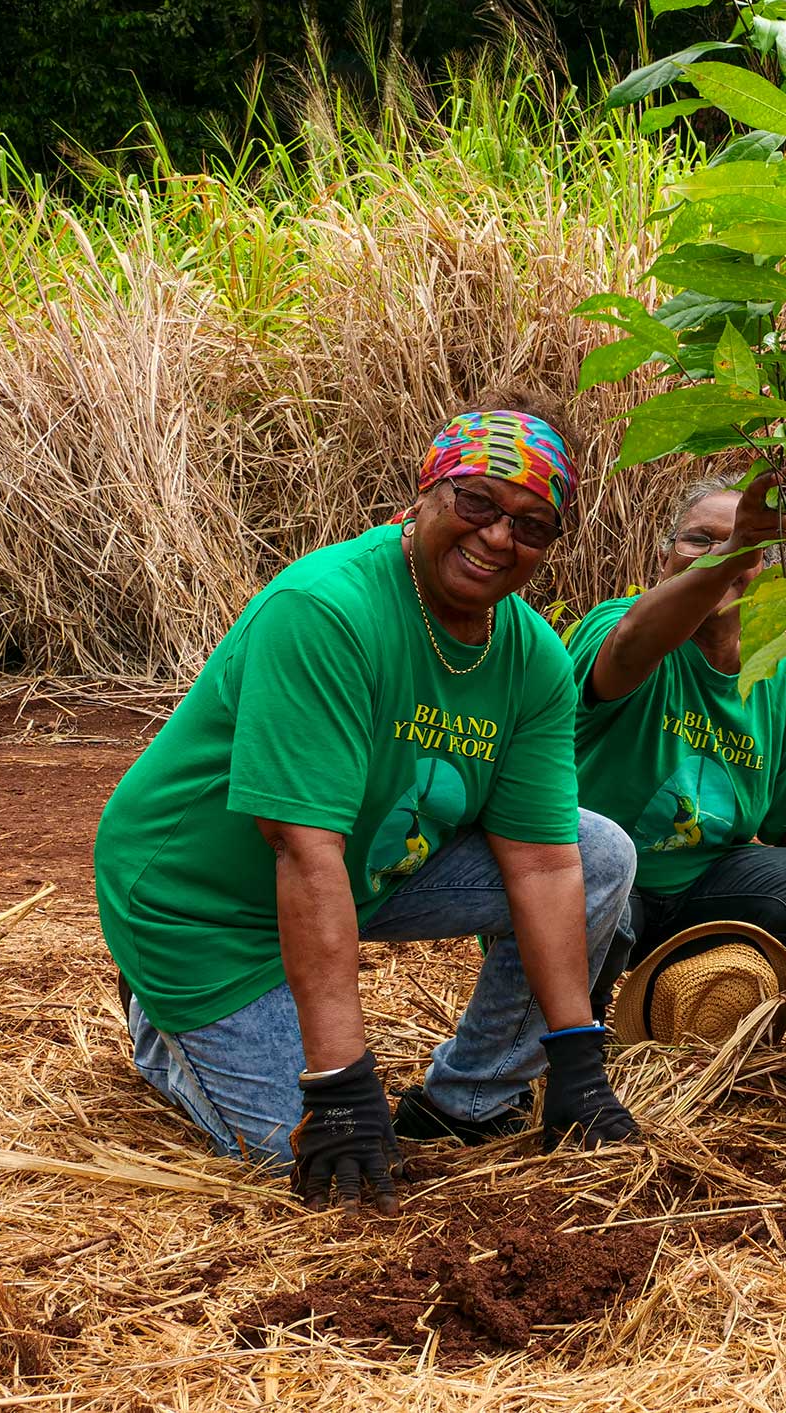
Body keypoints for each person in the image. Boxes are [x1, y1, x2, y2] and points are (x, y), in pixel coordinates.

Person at [95, 395, 639, 1214]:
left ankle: (471, 1098)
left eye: (531, 525)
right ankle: (164, 1026)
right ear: (425, 494)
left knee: (601, 854)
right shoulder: (327, 610)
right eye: (477, 502)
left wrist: (576, 1060)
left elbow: (544, 861)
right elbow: (303, 850)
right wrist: (343, 1085)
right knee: (299, 1151)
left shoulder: (530, 659)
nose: (497, 536)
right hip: (201, 902)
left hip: (365, 872)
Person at [569, 470, 786, 1041]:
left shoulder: (777, 676)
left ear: (767, 575)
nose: (720, 557)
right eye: (699, 541)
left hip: (704, 889)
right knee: (585, 890)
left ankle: (678, 993)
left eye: (744, 547)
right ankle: (569, 1041)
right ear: (665, 556)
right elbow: (632, 648)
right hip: (607, 887)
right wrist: (732, 554)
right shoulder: (618, 625)